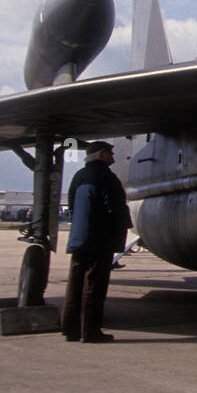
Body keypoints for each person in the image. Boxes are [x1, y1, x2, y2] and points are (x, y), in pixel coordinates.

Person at [62, 141, 131, 342]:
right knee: (94, 284)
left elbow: (72, 204)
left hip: (79, 237)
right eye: (110, 153)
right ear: (101, 155)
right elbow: (113, 208)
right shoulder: (107, 177)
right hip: (100, 239)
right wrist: (123, 224)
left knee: (75, 283)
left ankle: (70, 329)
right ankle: (90, 332)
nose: (113, 156)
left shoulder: (79, 176)